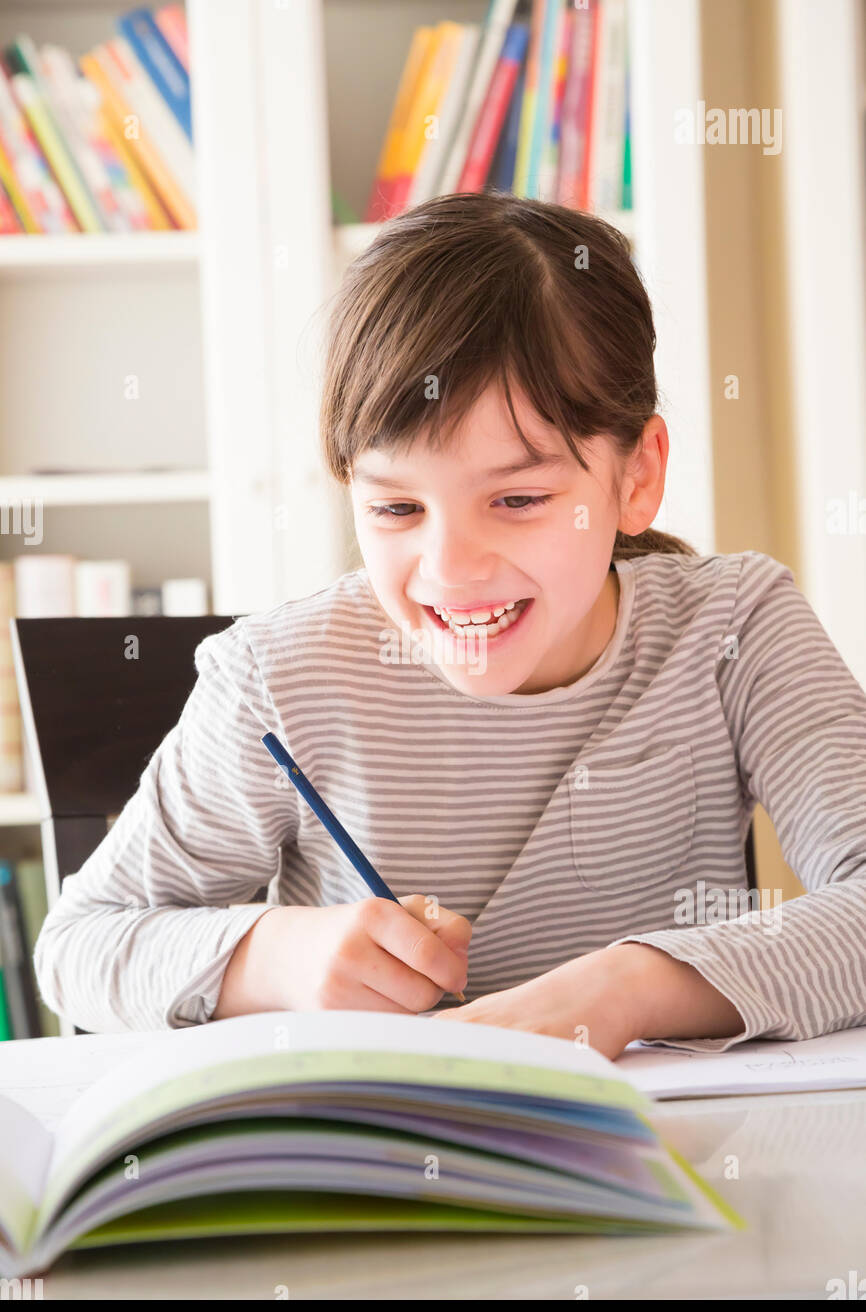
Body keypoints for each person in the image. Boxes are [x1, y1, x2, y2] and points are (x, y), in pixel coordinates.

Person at [35, 193, 866, 1059]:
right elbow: (80, 948)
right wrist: (271, 955)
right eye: (396, 506)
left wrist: (626, 987)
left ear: (636, 477)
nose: (451, 567)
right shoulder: (279, 679)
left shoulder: (734, 628)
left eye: (518, 500)